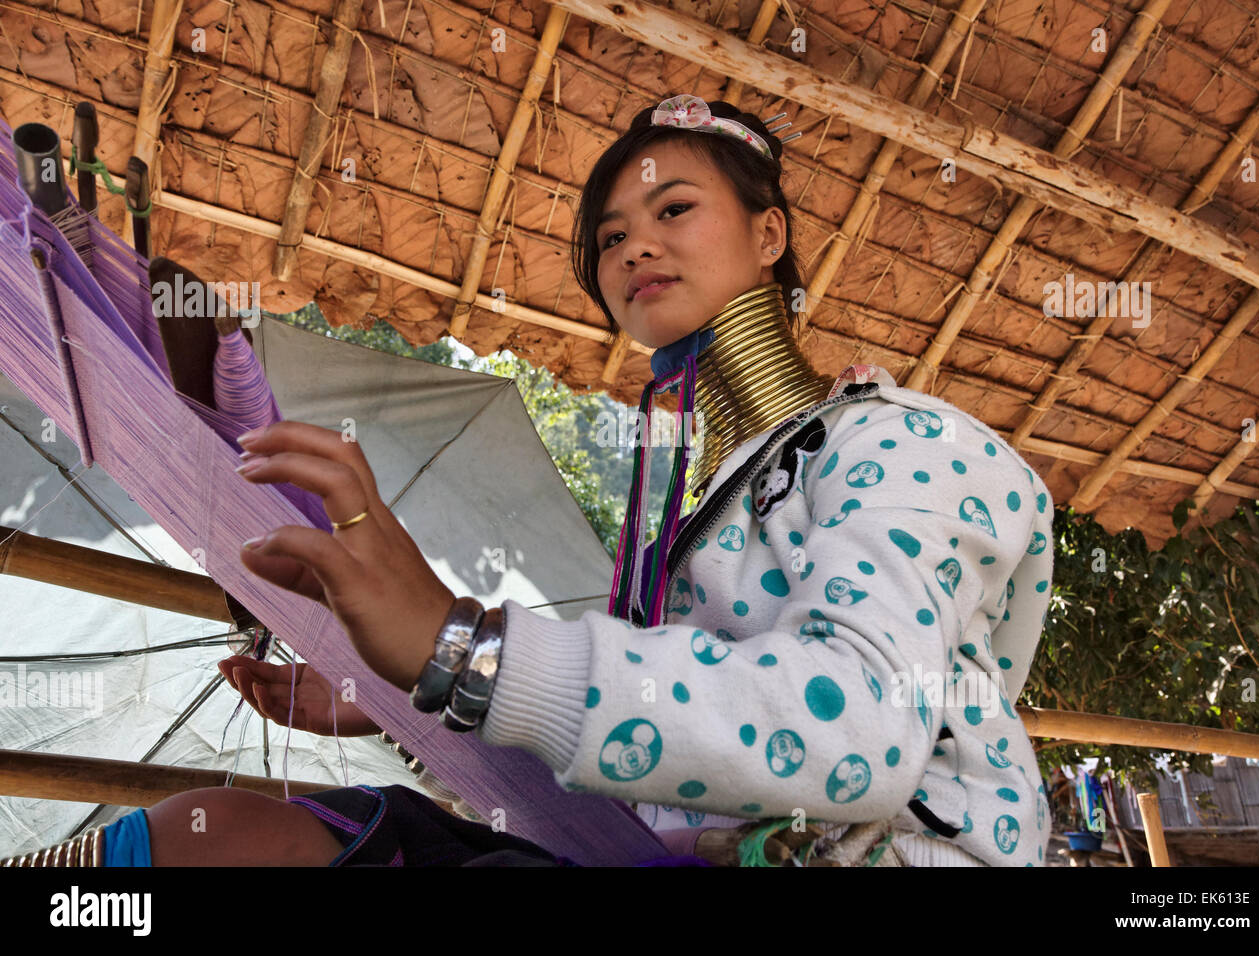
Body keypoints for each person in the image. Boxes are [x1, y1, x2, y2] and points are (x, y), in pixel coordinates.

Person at [4, 94, 1055, 868]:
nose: (634, 245)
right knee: (215, 835)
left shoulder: (913, 446)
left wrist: (456, 644)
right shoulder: (691, 527)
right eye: (608, 239)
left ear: (769, 233)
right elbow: (657, 772)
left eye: (673, 209)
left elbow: (853, 733)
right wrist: (401, 701)